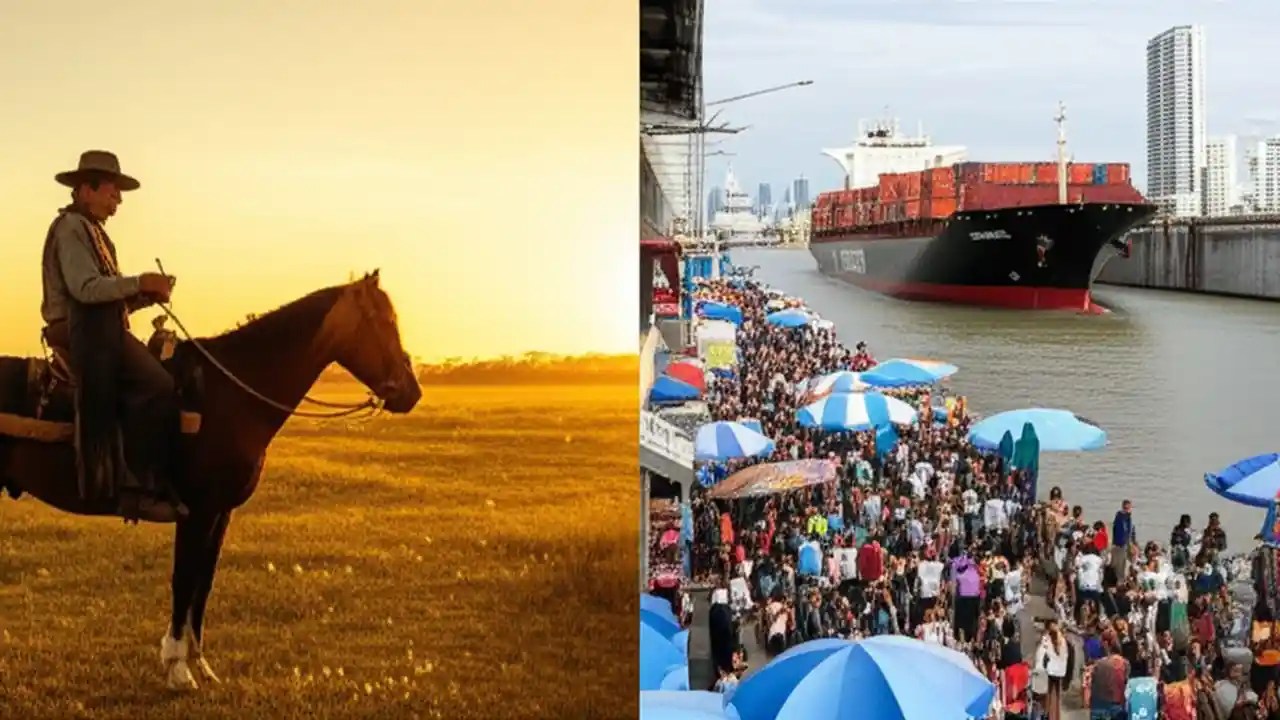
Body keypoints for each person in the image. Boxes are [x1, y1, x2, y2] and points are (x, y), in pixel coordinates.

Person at [39, 150, 187, 523]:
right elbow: (85, 289)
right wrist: (139, 281)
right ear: (86, 189)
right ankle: (134, 489)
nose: (118, 200)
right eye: (112, 191)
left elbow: (106, 301)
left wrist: (142, 297)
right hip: (79, 333)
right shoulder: (71, 227)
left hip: (97, 327)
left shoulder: (96, 234)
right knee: (158, 386)